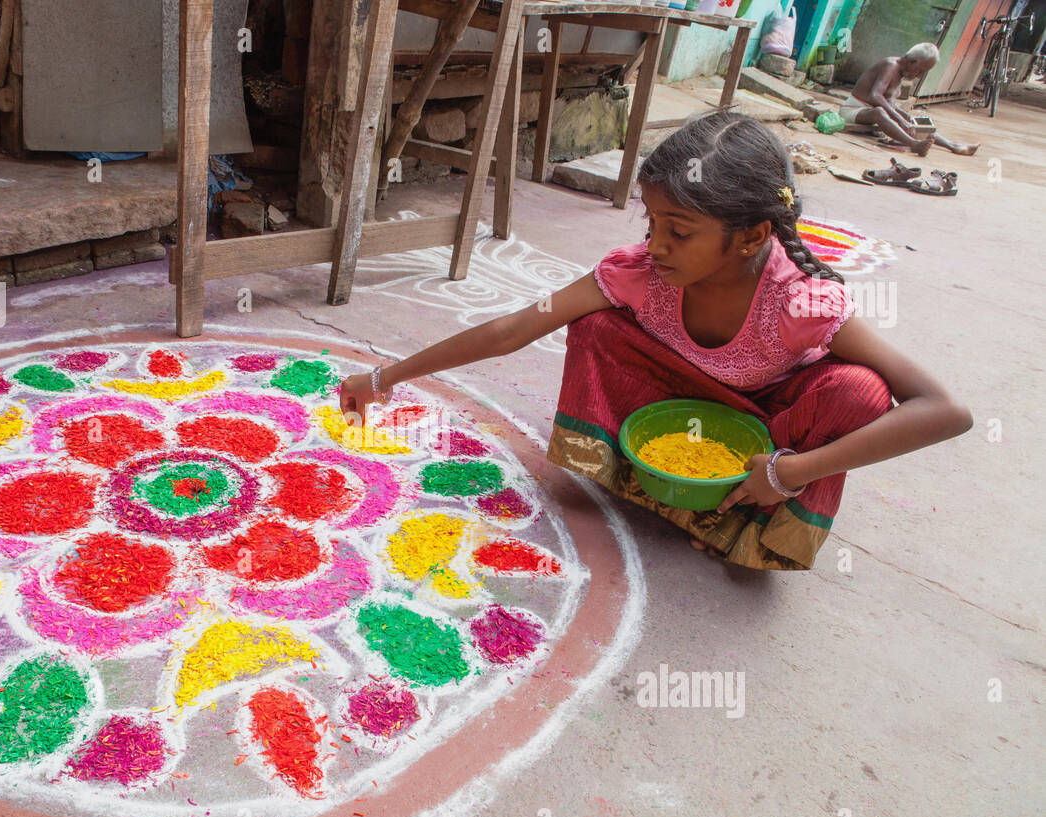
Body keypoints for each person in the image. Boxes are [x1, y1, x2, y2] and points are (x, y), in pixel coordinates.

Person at [338, 111, 972, 571]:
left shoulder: (799, 302)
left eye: (680, 230)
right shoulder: (643, 273)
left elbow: (947, 412)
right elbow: (514, 327)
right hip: (681, 407)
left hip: (765, 438)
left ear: (750, 237)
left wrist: (789, 471)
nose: (656, 245)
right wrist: (384, 377)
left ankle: (750, 518)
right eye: (651, 222)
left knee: (858, 391)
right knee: (594, 322)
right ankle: (661, 493)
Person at [841, 42, 979, 155]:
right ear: (912, 62)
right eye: (920, 70)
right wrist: (899, 118)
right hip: (853, 111)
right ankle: (914, 145)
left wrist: (905, 117)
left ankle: (952, 145)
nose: (919, 76)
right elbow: (875, 95)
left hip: (871, 114)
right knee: (880, 112)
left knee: (912, 121)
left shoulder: (900, 72)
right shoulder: (891, 65)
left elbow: (888, 102)